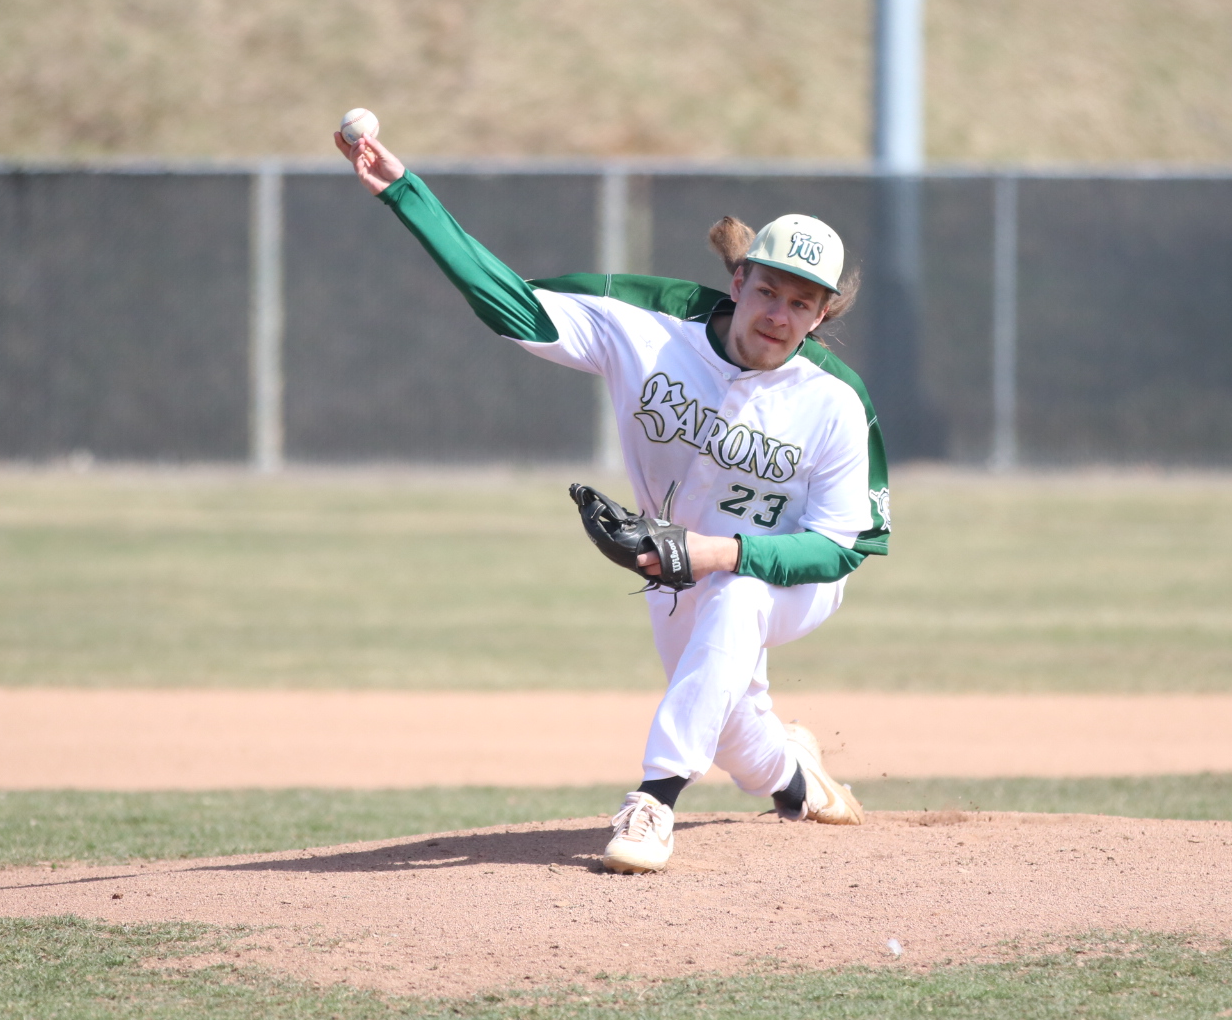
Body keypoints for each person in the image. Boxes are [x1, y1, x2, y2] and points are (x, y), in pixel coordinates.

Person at [338, 125, 890, 873]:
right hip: (673, 570)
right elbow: (513, 307)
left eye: (801, 303)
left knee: (736, 594)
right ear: (739, 283)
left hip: (790, 579)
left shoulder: (835, 402)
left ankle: (653, 803)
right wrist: (410, 197)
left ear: (822, 315)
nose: (777, 314)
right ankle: (796, 781)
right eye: (767, 291)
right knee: (733, 732)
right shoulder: (651, 326)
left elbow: (842, 545)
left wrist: (720, 552)